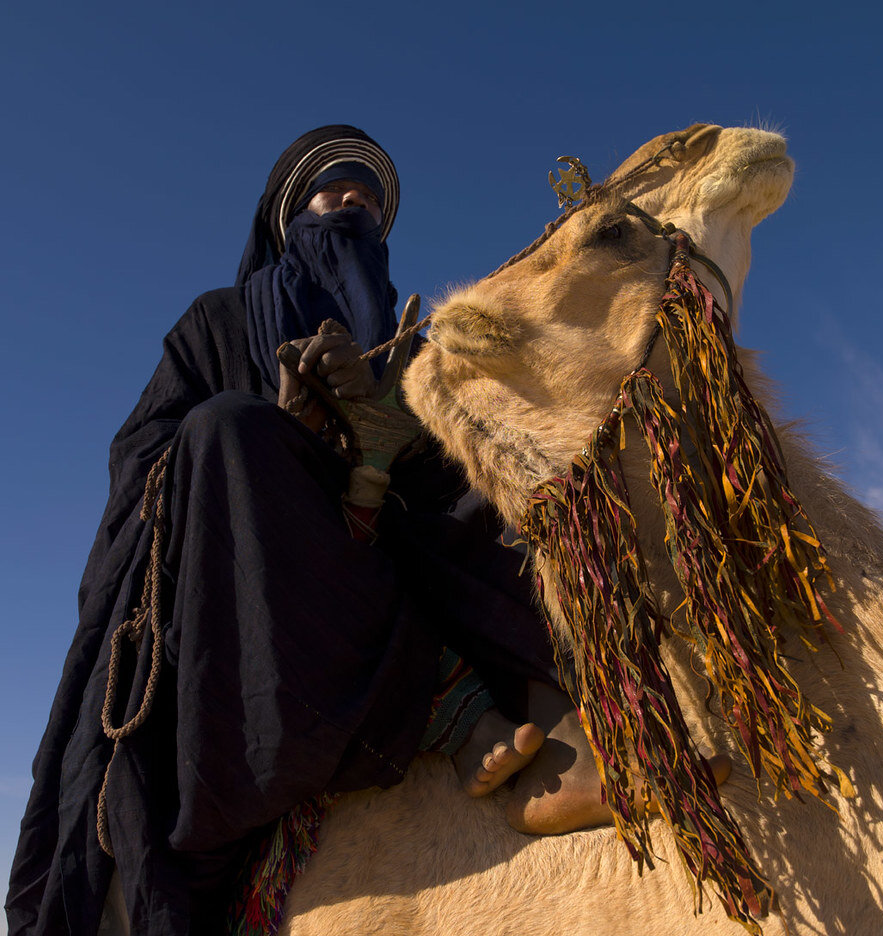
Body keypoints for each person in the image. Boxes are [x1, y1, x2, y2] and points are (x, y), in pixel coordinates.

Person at [5, 125, 599, 936]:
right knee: (224, 431)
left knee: (480, 449)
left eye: (369, 205)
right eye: (336, 197)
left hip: (387, 526)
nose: (353, 211)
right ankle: (444, 709)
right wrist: (286, 430)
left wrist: (383, 418)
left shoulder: (403, 340)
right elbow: (141, 454)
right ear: (291, 215)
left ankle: (561, 686)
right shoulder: (214, 324)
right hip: (250, 546)